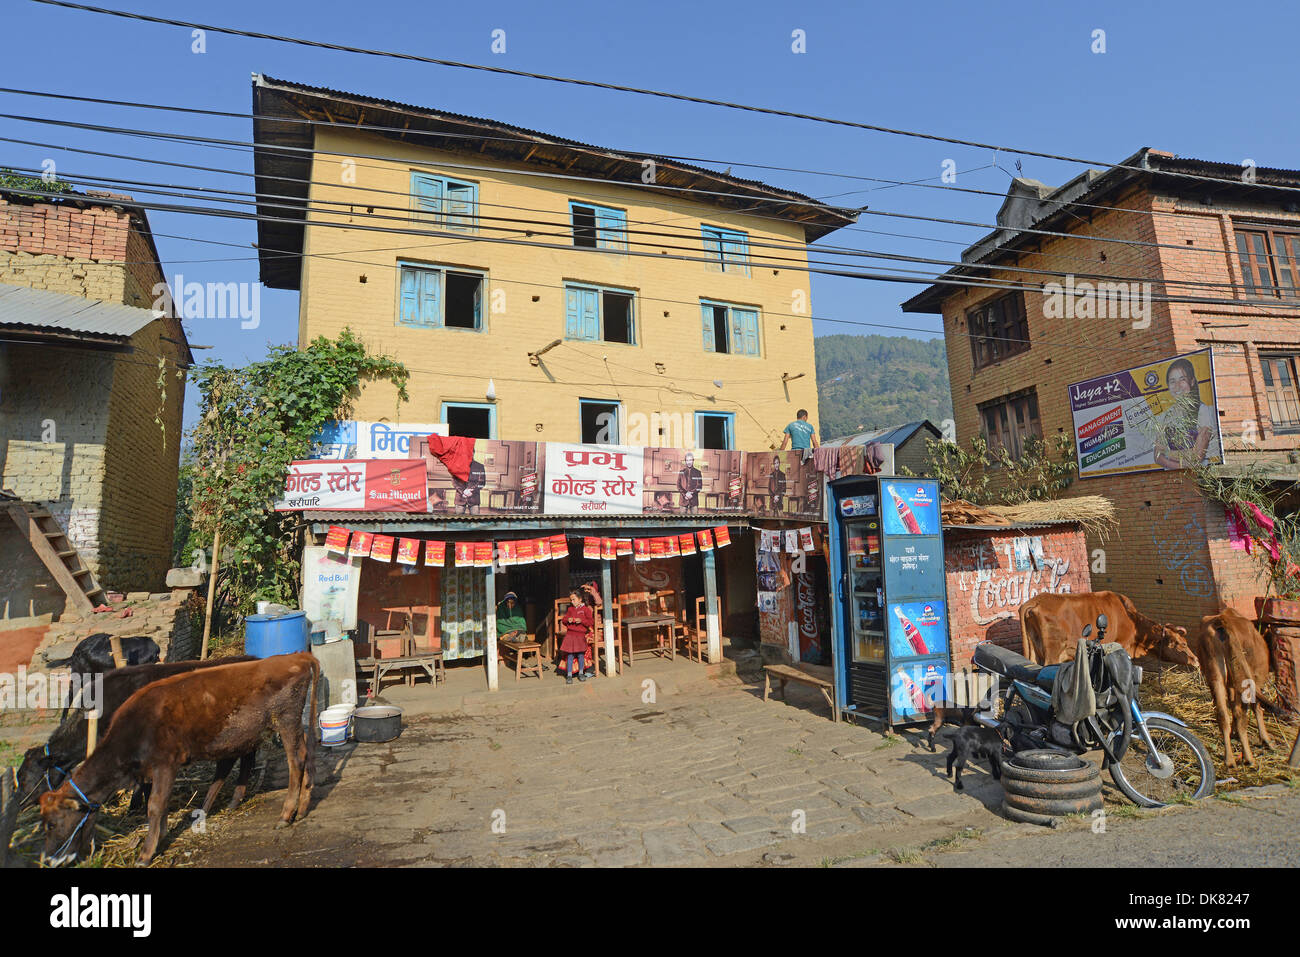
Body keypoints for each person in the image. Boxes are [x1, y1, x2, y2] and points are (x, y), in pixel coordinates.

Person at [1153, 358, 1220, 469]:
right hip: (1173, 477)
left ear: (1192, 381)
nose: (1177, 386)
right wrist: (1184, 462)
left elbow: (1197, 456)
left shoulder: (1203, 411)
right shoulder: (1166, 415)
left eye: (1182, 379)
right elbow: (1157, 456)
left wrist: (1167, 453)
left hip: (1198, 476)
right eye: (1172, 381)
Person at [559, 588, 595, 684]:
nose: (572, 602)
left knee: (580, 655)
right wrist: (568, 620)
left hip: (580, 635)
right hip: (570, 635)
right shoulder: (570, 609)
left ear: (580, 599)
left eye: (574, 599)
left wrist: (581, 621)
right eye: (571, 600)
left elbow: (591, 621)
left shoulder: (585, 610)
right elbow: (564, 620)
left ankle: (581, 673)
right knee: (570, 655)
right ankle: (569, 675)